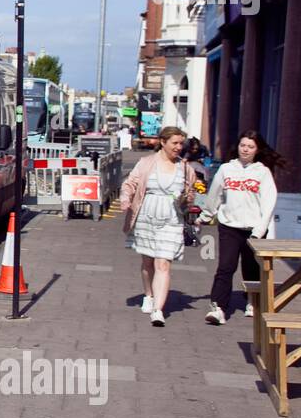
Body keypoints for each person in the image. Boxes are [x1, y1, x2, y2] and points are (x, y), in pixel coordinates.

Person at [200, 130, 282, 325]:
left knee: (251, 268)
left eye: (250, 147)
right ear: (238, 146)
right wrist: (206, 215)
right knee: (225, 267)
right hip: (229, 226)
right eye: (243, 145)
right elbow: (215, 195)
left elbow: (269, 203)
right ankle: (218, 308)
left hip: (254, 229)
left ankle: (252, 301)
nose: (245, 150)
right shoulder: (226, 169)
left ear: (257, 150)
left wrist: (259, 231)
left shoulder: (262, 172)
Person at [119, 126, 198, 326]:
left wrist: (188, 201)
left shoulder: (186, 168)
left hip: (172, 218)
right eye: (175, 143)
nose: (179, 147)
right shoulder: (146, 163)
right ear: (163, 142)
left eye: (181, 143)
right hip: (147, 215)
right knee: (148, 262)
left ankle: (158, 310)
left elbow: (190, 195)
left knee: (163, 263)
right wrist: (125, 199)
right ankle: (148, 295)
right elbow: (130, 183)